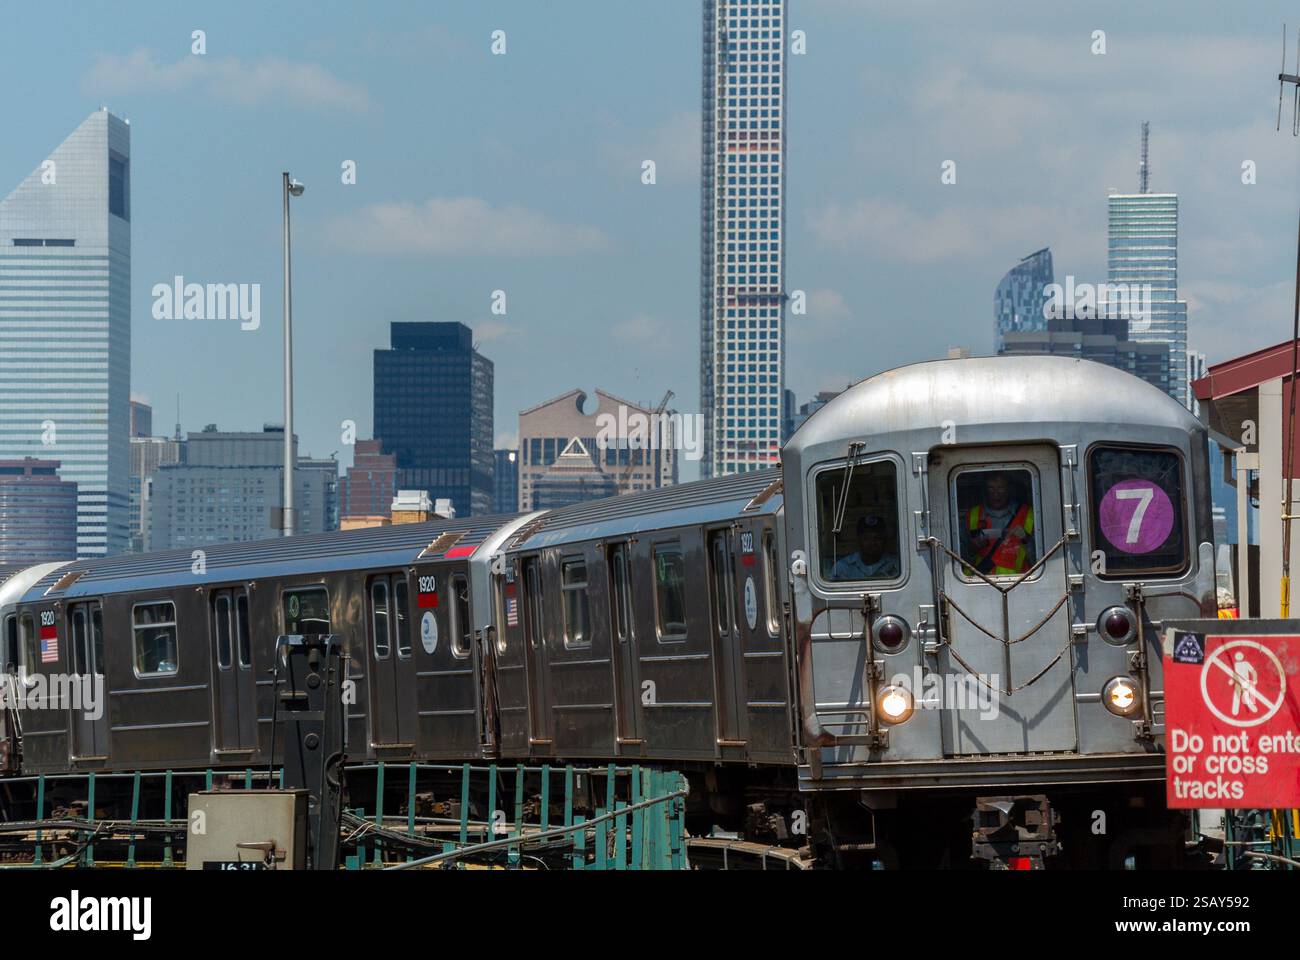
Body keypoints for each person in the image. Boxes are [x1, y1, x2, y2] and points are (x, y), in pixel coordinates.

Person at [964, 472, 1035, 575]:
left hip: (1019, 583)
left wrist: (1026, 540)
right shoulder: (972, 515)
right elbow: (956, 560)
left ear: (1009, 489)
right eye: (991, 488)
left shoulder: (1029, 515)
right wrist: (972, 549)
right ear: (985, 490)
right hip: (978, 584)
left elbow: (1042, 560)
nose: (996, 493)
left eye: (1001, 488)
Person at [831, 514, 900, 581]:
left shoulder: (896, 565)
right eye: (866, 538)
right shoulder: (843, 567)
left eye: (878, 538)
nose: (872, 543)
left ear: (885, 540)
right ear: (858, 540)